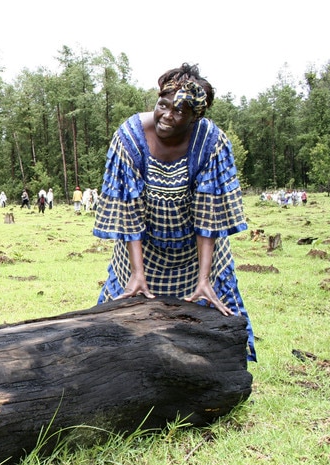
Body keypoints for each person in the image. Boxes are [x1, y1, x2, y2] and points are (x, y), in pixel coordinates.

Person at [92, 63, 256, 361]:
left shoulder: (210, 143)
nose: (167, 115)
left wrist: (204, 278)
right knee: (123, 334)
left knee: (207, 338)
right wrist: (137, 274)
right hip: (141, 250)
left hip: (197, 255)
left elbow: (210, 214)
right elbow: (128, 212)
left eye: (179, 111)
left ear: (196, 117)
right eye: (163, 105)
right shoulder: (129, 138)